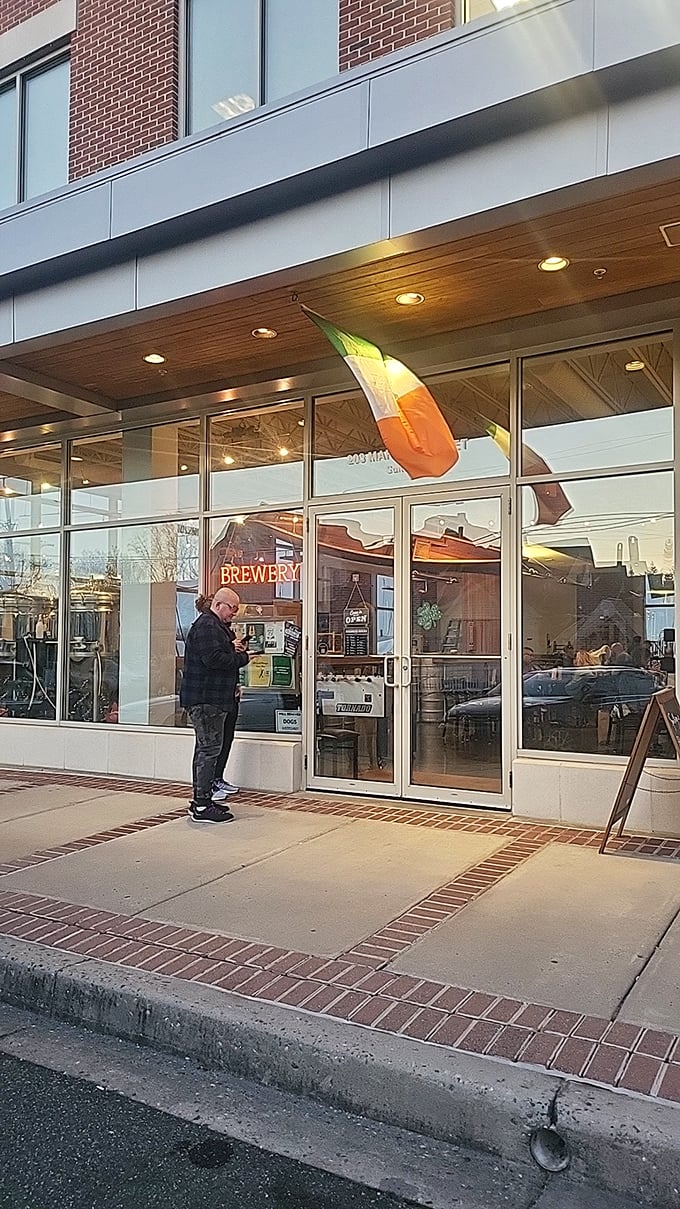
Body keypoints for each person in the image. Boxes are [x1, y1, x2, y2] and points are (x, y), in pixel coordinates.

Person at [180, 587, 249, 823]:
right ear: (219, 605)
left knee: (207, 749)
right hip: (206, 700)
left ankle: (204, 800)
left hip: (212, 698)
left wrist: (231, 649)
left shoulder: (214, 627)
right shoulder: (208, 626)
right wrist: (242, 657)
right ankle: (201, 804)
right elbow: (214, 660)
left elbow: (216, 655)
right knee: (208, 750)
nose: (234, 613)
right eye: (232, 608)